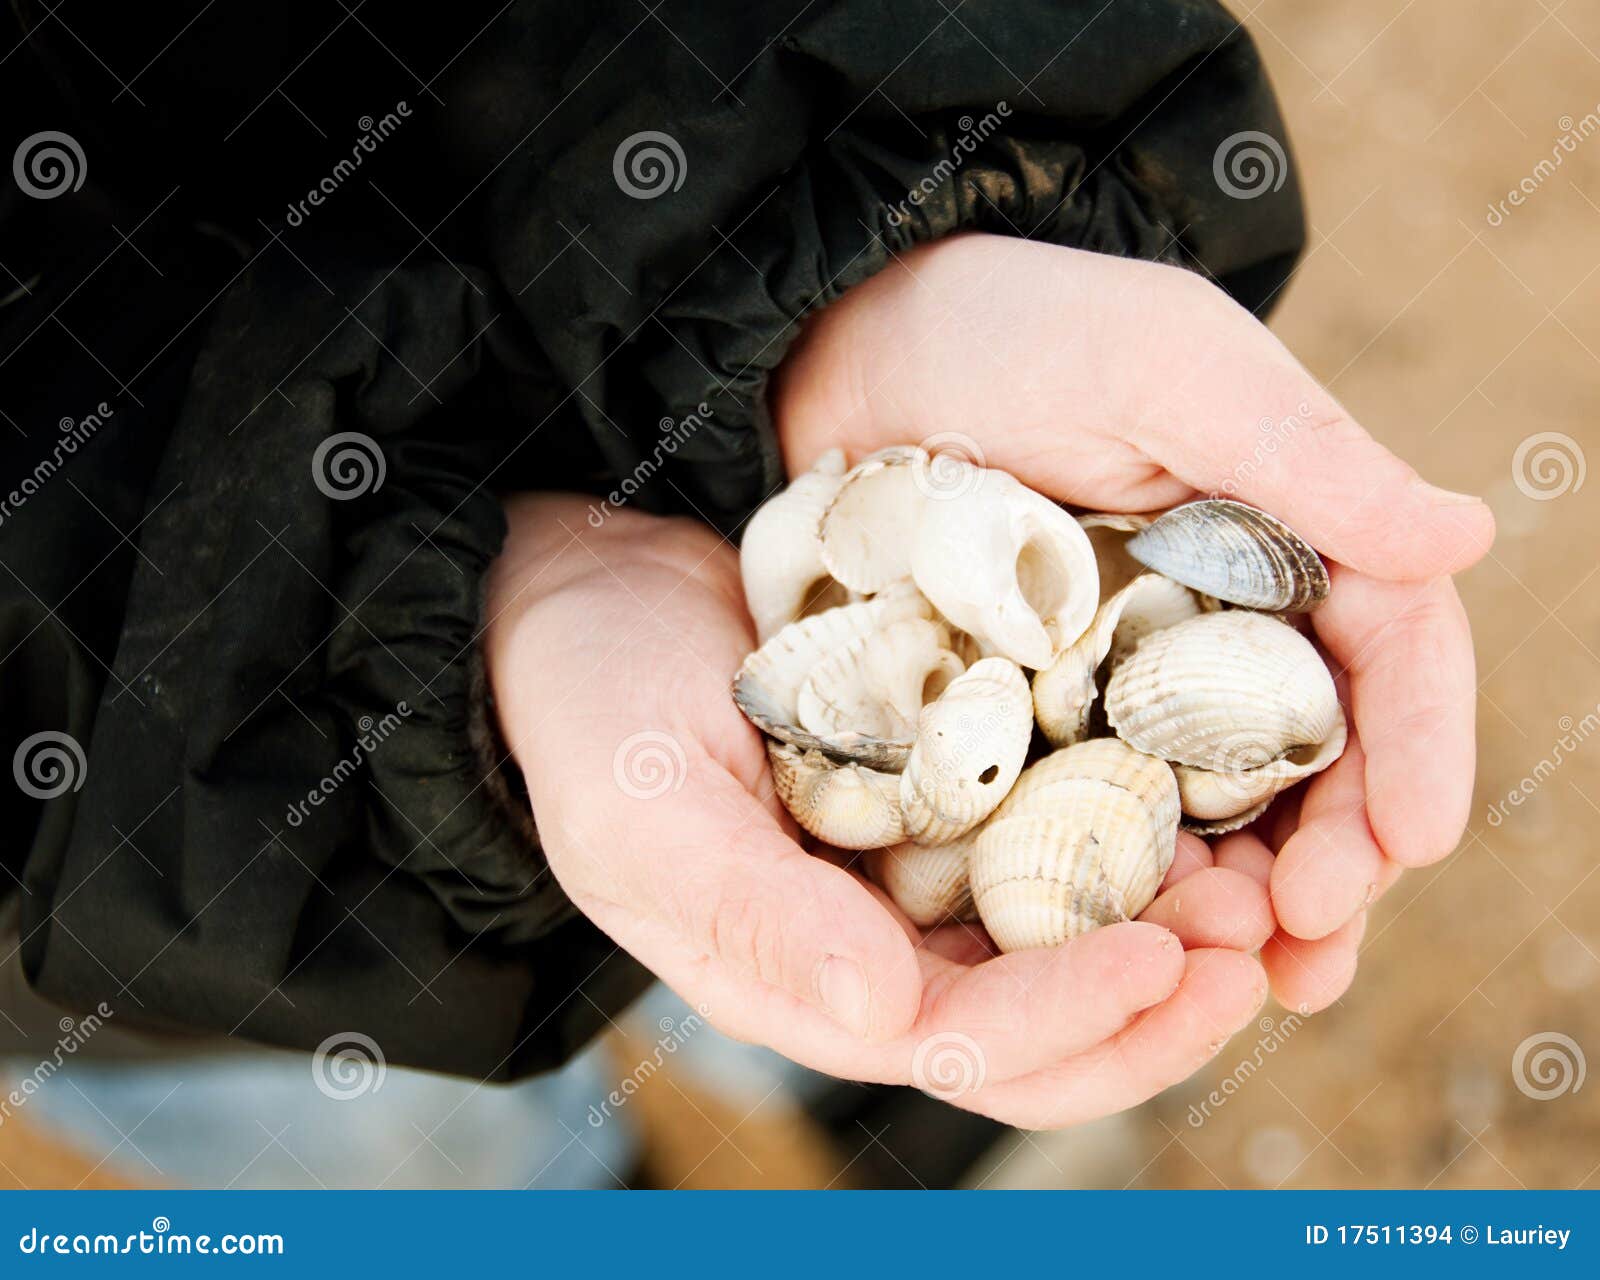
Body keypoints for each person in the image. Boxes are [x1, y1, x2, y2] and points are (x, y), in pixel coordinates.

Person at [1, 1, 1491, 1135]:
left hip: (633, 337)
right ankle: (600, 1172)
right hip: (167, 847)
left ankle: (846, 1106)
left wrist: (855, 247)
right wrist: (428, 627)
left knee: (803, 938)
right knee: (364, 1118)